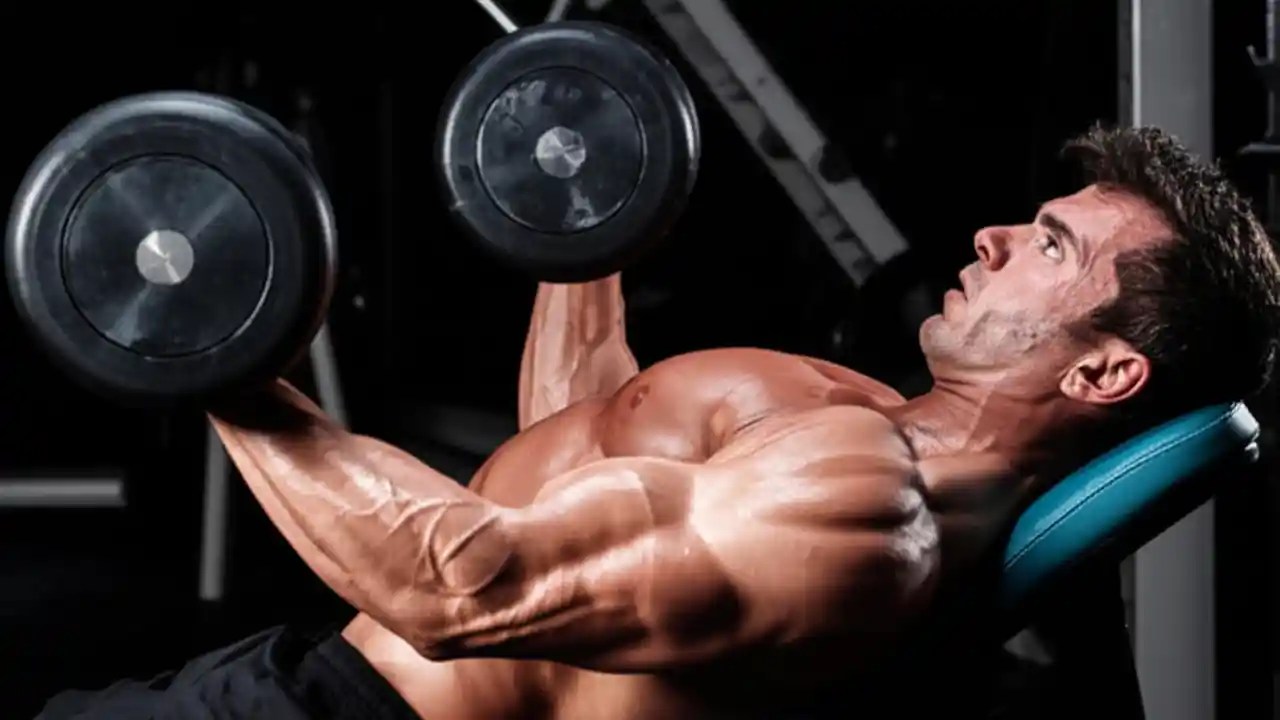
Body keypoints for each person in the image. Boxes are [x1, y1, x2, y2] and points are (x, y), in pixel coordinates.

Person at [37, 124, 1280, 720]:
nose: (993, 236)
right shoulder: (864, 424)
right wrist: (584, 230)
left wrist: (209, 341)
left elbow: (460, 588)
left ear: (1103, 374)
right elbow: (587, 435)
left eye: (1049, 248)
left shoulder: (860, 514)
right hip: (305, 682)